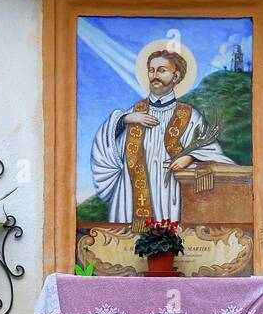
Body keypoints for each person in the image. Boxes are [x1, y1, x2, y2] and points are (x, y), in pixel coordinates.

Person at [90, 50, 231, 224]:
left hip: (172, 189)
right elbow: (105, 146)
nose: (154, 75)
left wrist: (189, 157)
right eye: (151, 70)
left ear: (176, 76)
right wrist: (125, 120)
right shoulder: (135, 112)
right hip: (134, 192)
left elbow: (212, 150)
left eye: (161, 70)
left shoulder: (189, 115)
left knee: (171, 230)